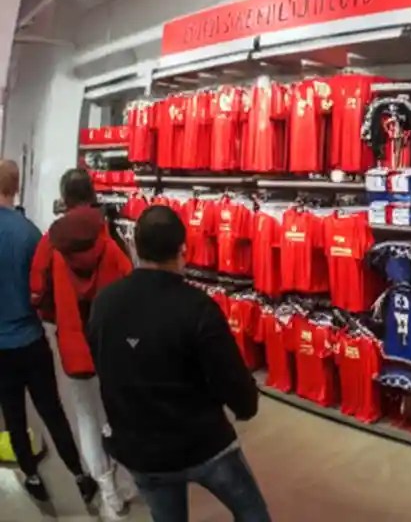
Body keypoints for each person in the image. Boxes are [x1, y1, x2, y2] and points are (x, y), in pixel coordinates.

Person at [87, 205, 270, 522]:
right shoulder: (197, 308)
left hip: (140, 449)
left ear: (134, 247)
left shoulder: (104, 303)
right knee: (252, 514)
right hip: (201, 443)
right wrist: (246, 406)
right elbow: (232, 380)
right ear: (183, 250)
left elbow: (104, 364)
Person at [29, 167, 134, 517]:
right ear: (91, 194)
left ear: (64, 197)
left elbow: (37, 290)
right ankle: (126, 480)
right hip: (112, 344)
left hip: (74, 346)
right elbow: (131, 284)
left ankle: (109, 494)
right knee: (118, 411)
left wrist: (55, 314)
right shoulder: (109, 236)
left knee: (87, 418)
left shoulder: (51, 241)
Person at [0, 160, 99, 506]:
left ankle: (31, 475)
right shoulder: (30, 234)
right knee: (52, 409)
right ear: (16, 187)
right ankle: (80, 476)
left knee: (13, 413)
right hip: (30, 339)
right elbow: (42, 289)